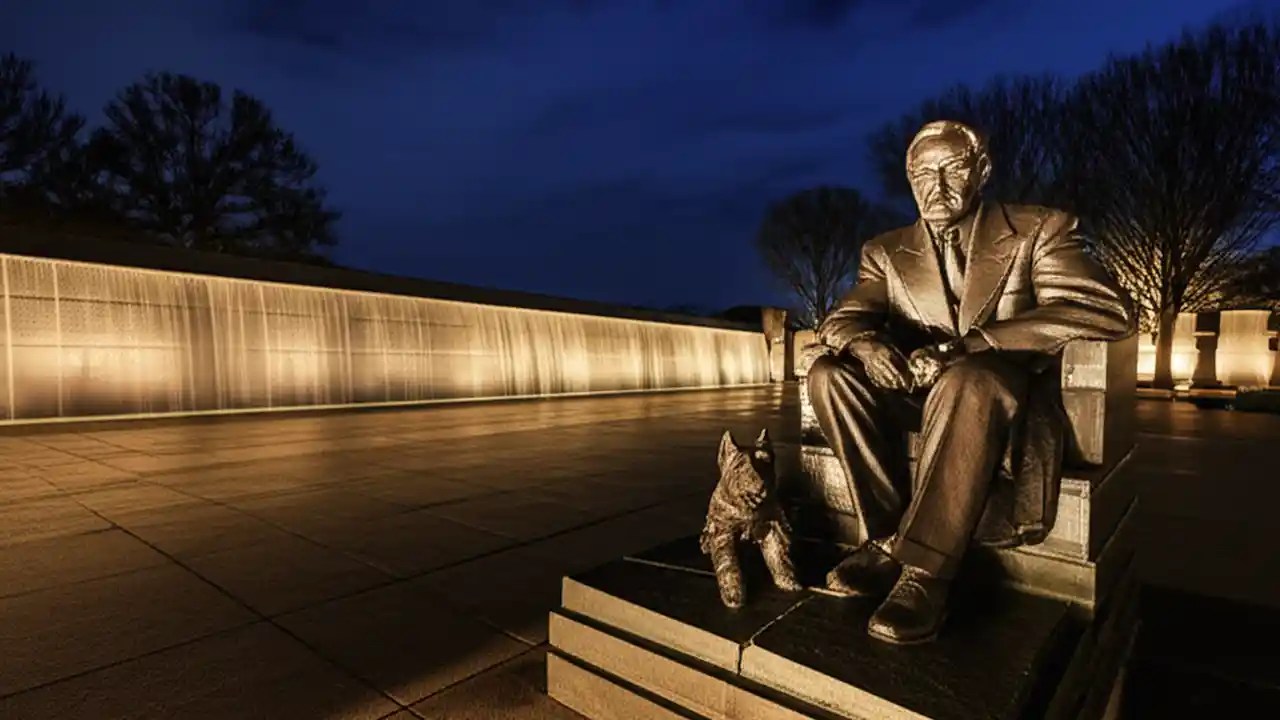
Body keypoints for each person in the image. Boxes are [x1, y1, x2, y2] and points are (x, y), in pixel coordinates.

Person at [803, 120, 1135, 645]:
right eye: (921, 175)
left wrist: (973, 344)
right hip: (921, 393)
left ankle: (927, 572)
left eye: (952, 169)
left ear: (981, 172)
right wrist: (866, 345)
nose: (936, 188)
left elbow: (1104, 310)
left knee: (969, 379)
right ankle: (887, 539)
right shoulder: (886, 252)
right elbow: (842, 319)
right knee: (829, 375)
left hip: (1001, 394)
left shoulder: (1039, 229)